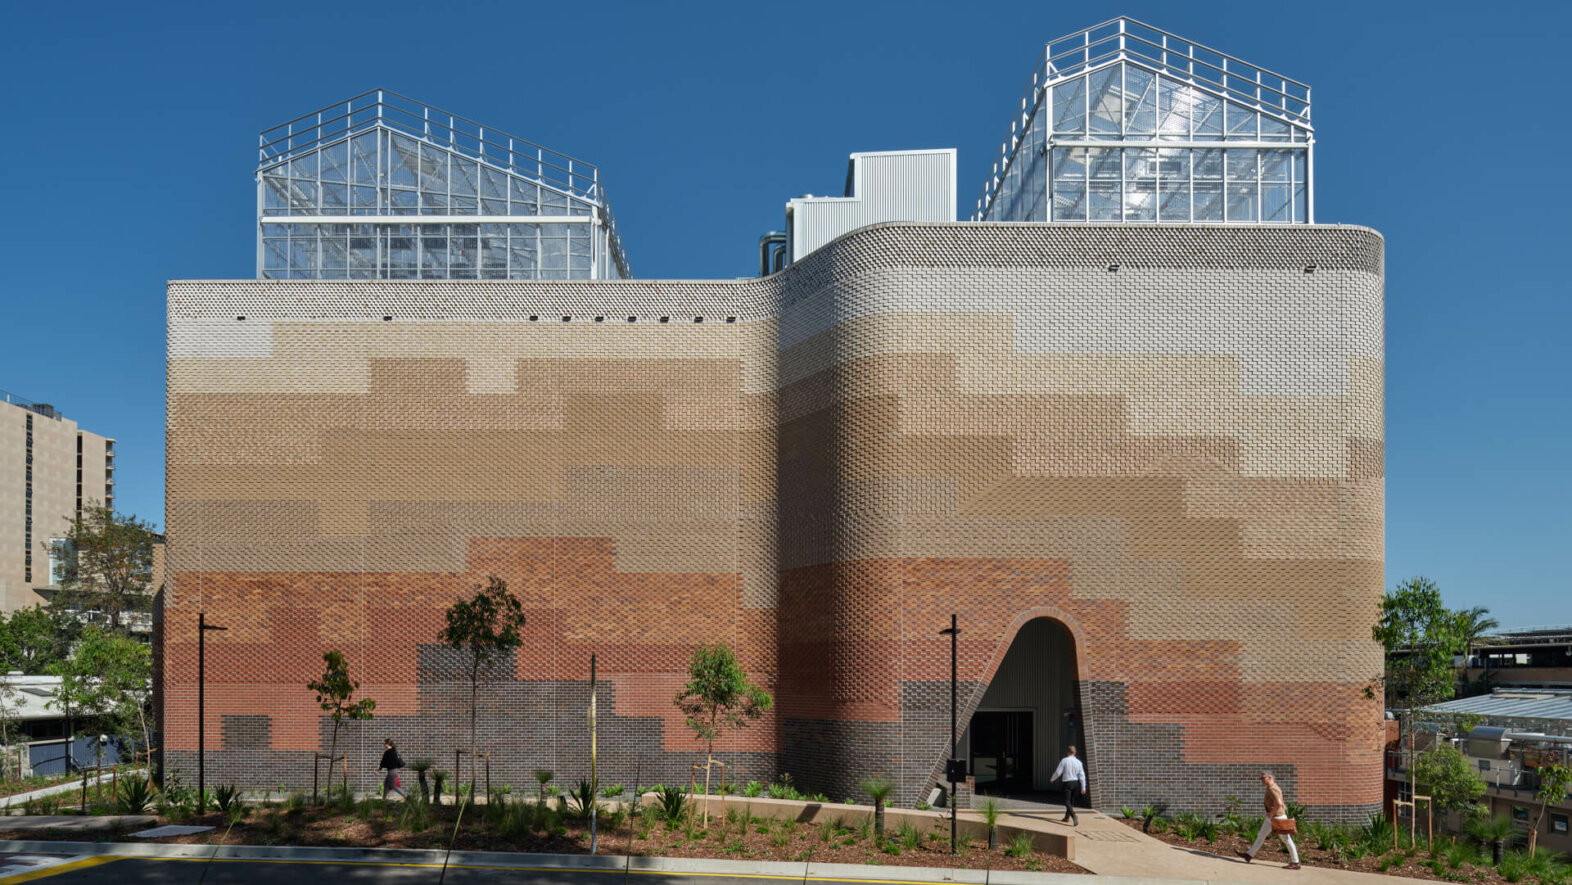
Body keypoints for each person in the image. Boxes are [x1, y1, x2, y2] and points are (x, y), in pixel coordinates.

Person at [1237, 772, 1301, 870]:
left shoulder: (1272, 789)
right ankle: (1249, 855)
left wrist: (1271, 813)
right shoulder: (1271, 788)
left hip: (1277, 818)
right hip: (1272, 818)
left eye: (1263, 778)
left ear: (1270, 777)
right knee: (1261, 836)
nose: (1261, 780)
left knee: (1287, 840)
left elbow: (1279, 803)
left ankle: (1295, 862)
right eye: (1261, 778)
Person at [1048, 745, 1087, 826]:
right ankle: (1066, 817)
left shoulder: (1064, 761)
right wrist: (1083, 787)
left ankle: (1073, 815)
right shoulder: (1079, 762)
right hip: (1076, 783)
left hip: (1067, 783)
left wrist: (1052, 778)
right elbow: (1082, 775)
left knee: (1066, 801)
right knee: (1071, 802)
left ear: (1068, 752)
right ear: (1075, 753)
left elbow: (1058, 772)